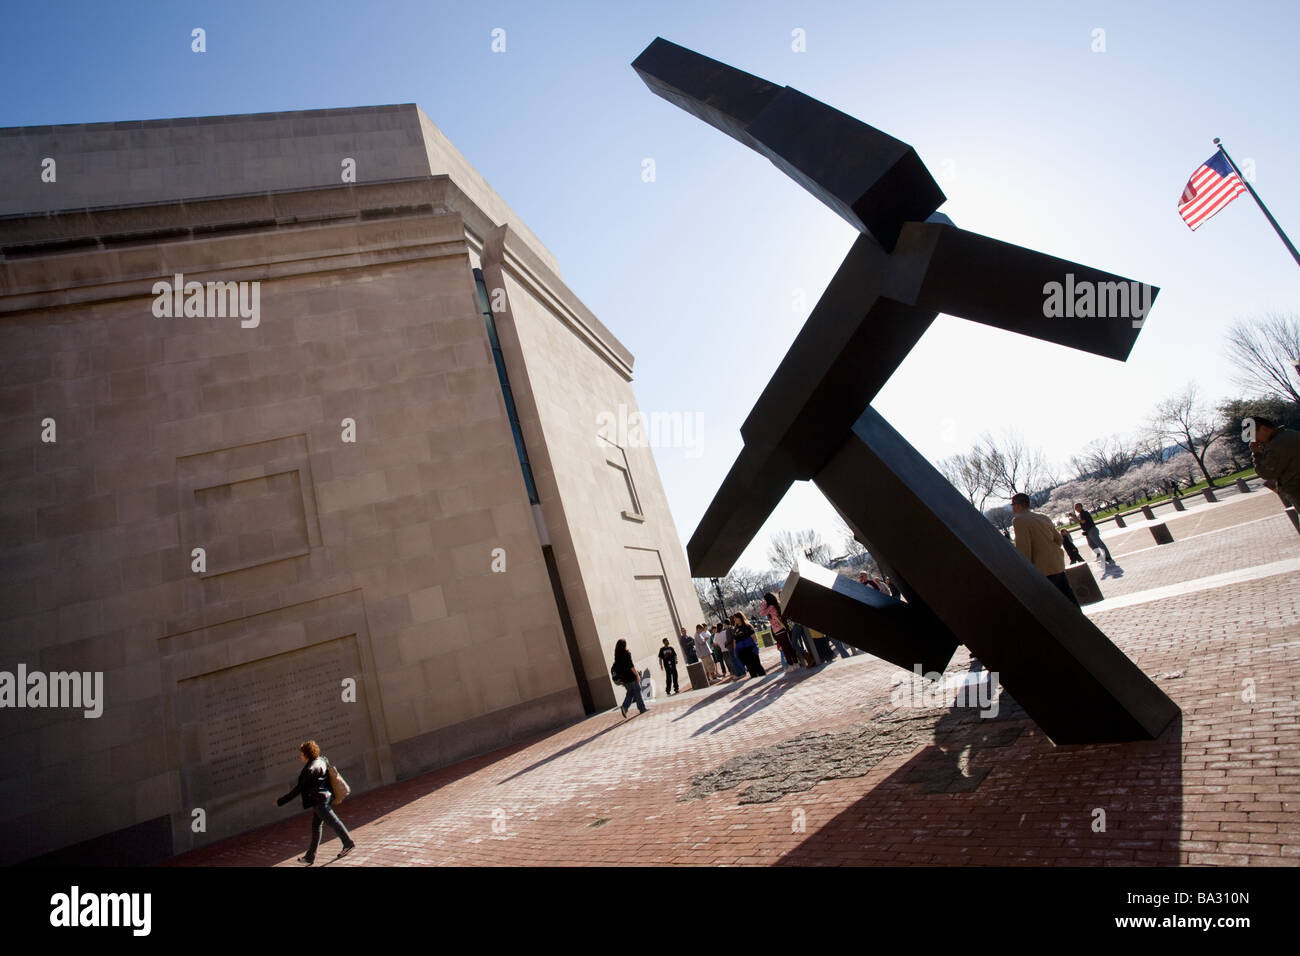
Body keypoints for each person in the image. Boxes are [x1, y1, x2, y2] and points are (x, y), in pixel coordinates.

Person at [275, 740, 355, 866]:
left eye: (301, 754)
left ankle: (348, 843)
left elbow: (298, 789)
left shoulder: (309, 769)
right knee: (316, 827)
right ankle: (310, 856)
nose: (300, 756)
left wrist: (281, 801)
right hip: (324, 796)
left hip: (319, 801)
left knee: (333, 821)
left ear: (306, 754)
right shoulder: (321, 759)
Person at [1011, 493, 1079, 606]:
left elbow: (1024, 548)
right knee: (1069, 598)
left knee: (1054, 604)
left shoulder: (1018, 520)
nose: (1012, 507)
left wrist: (1024, 570)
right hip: (1057, 563)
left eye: (1012, 504)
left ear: (1018, 505)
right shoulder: (1042, 516)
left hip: (1042, 569)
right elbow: (1059, 539)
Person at [1249, 416, 1300, 508]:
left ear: (1263, 429)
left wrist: (1257, 454)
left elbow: (1267, 473)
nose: (1254, 440)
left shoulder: (1276, 446)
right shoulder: (1292, 434)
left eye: (1253, 435)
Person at [759, 592, 807, 668]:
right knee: (789, 646)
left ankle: (791, 664)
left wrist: (764, 602)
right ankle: (795, 663)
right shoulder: (776, 605)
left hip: (778, 629)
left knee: (785, 648)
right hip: (782, 628)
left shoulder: (770, 607)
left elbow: (761, 613)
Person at [613, 638, 646, 717]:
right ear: (624, 645)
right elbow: (631, 666)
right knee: (638, 691)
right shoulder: (627, 653)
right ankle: (642, 708)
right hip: (631, 676)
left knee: (630, 693)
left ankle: (624, 707)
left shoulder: (617, 656)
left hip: (624, 679)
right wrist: (637, 675)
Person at [730, 613, 765, 677]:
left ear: (740, 617)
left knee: (757, 665)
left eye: (736, 618)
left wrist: (756, 646)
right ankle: (754, 679)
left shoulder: (747, 626)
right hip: (742, 651)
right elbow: (734, 641)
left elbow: (754, 637)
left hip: (751, 648)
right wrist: (735, 651)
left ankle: (764, 678)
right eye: (734, 618)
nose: (734, 619)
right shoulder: (735, 629)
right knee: (750, 667)